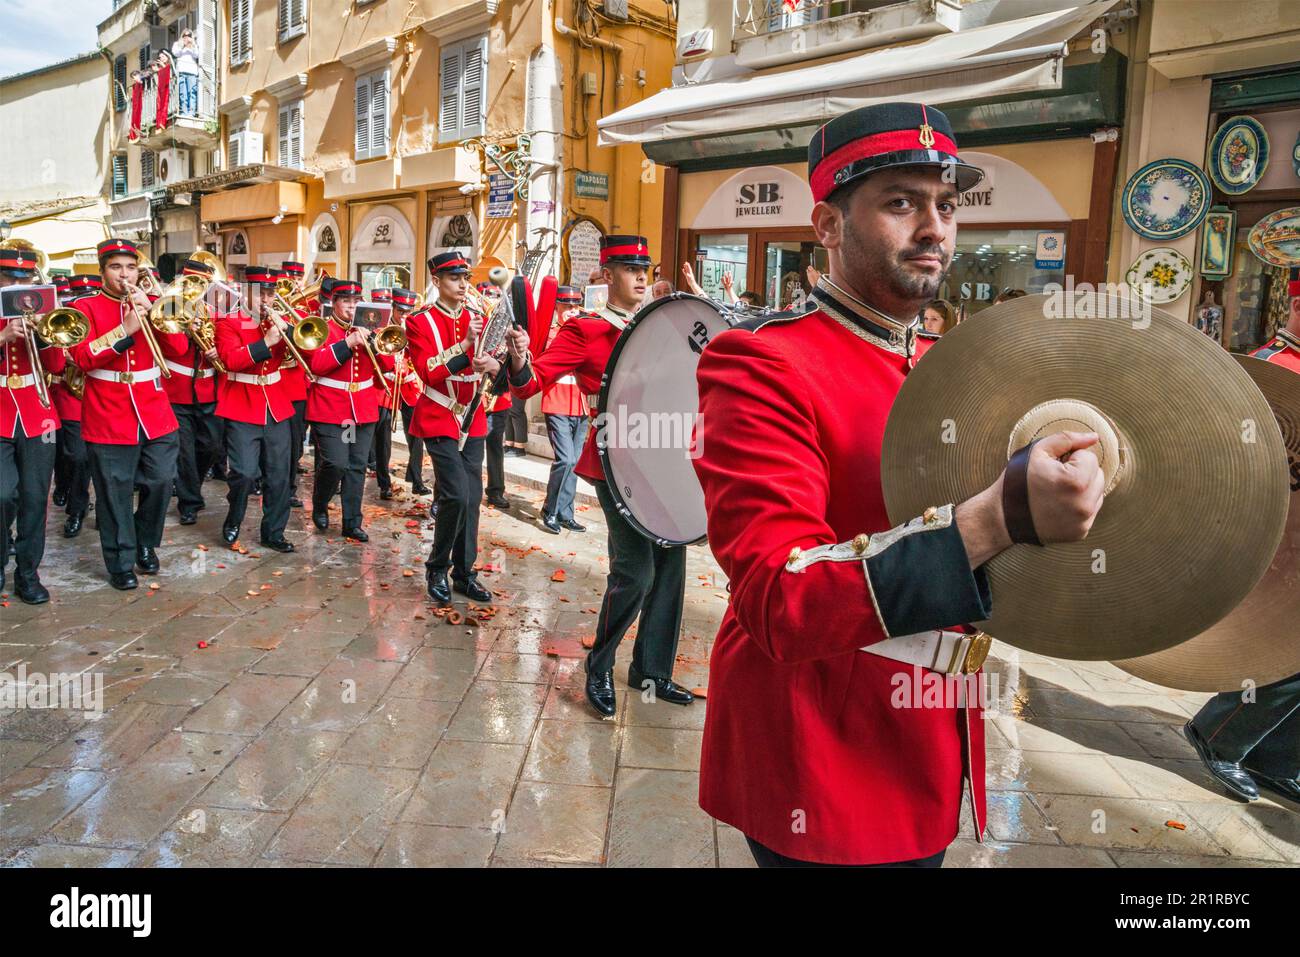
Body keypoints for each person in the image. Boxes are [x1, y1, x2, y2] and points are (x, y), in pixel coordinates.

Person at [690, 102, 1105, 867]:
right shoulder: (758, 363)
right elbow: (779, 599)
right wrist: (1001, 513)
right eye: (901, 202)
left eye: (946, 205)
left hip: (932, 729)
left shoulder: (947, 363)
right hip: (821, 745)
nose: (935, 228)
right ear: (827, 225)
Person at [506, 236, 695, 718]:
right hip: (614, 460)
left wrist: (702, 306)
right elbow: (531, 383)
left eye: (646, 268)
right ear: (607, 275)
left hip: (662, 455)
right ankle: (599, 663)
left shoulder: (660, 322)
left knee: (670, 569)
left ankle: (652, 671)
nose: (641, 276)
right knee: (636, 571)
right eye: (630, 268)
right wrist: (519, 355)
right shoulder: (585, 329)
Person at [1184, 266, 1300, 808]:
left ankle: (1276, 756)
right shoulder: (1271, 368)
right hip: (1277, 536)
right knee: (1286, 648)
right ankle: (1219, 732)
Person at [70, 238, 189, 590]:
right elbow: (83, 357)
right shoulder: (85, 307)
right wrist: (126, 330)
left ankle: (144, 541)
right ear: (102, 270)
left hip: (154, 410)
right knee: (114, 492)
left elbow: (180, 349)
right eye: (116, 267)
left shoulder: (154, 302)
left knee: (160, 481)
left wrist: (153, 311)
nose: (124, 274)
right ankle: (121, 561)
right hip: (108, 411)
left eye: (130, 267)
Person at [405, 252, 494, 605]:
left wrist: (494, 361)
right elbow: (427, 370)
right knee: (455, 494)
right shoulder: (420, 321)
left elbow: (493, 359)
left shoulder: (478, 315)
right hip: (439, 414)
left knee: (472, 497)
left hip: (473, 415)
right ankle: (437, 566)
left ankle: (465, 572)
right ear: (437, 282)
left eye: (465, 278)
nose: (462, 285)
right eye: (454, 278)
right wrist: (465, 346)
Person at [212, 266, 295, 551]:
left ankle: (273, 531)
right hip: (241, 404)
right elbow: (231, 361)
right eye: (261, 293)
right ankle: (234, 517)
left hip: (276, 404)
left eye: (270, 293)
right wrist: (267, 342)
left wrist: (293, 333)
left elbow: (308, 351)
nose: (266, 299)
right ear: (246, 292)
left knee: (279, 474)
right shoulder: (228, 322)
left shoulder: (280, 321)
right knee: (244, 473)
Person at [0, 245, 66, 603]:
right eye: (9, 277)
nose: (17, 285)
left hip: (38, 413)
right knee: (2, 494)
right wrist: (4, 336)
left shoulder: (45, 312)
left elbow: (56, 367)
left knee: (35, 497)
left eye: (24, 278)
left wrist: (45, 333)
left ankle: (28, 573)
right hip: (0, 414)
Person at [305, 279, 390, 541]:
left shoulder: (371, 328)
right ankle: (320, 502)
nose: (352, 307)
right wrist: (348, 342)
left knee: (356, 466)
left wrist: (375, 341)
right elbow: (317, 365)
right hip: (332, 408)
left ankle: (352, 522)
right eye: (346, 302)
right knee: (336, 462)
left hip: (361, 408)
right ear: (334, 303)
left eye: (356, 302)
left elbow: (387, 365)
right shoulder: (323, 328)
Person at [163, 260, 223, 525]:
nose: (197, 289)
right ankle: (189, 501)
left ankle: (191, 485)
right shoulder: (170, 308)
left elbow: (228, 340)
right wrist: (188, 330)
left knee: (211, 445)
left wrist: (218, 349)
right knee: (184, 450)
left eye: (203, 284)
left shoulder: (217, 310)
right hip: (177, 390)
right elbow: (172, 348)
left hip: (208, 388)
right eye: (192, 282)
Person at [537, 285, 588, 534]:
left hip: (581, 402)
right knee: (565, 459)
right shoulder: (550, 333)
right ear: (556, 306)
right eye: (567, 305)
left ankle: (566, 512)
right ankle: (550, 510)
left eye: (575, 305)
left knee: (575, 462)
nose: (572, 310)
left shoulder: (584, 330)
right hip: (557, 400)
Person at [373, 288, 423, 501]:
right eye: (401, 311)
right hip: (387, 386)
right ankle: (384, 484)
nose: (404, 315)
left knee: (417, 435)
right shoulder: (381, 328)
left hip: (409, 386)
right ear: (393, 308)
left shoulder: (414, 327)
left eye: (408, 311)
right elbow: (379, 357)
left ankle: (417, 479)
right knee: (383, 437)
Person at [278, 262, 310, 508]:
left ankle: (289, 488)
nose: (296, 282)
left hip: (296, 387)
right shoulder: (262, 313)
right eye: (290, 277)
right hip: (274, 387)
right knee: (277, 445)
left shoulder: (304, 311)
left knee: (295, 442)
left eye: (299, 277)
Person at [171, 28, 200, 117]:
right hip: (182, 71)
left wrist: (192, 45)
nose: (187, 37)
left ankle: (191, 112)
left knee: (192, 92)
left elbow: (197, 55)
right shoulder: (177, 44)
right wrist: (183, 46)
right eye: (185, 35)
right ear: (182, 36)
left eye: (189, 36)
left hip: (192, 72)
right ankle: (184, 111)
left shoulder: (194, 45)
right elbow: (176, 53)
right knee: (183, 93)